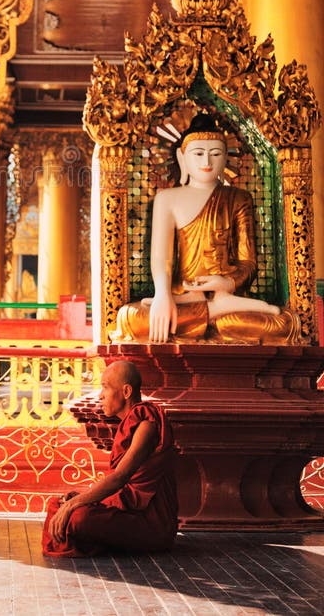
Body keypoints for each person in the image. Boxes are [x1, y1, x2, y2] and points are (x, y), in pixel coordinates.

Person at [111, 113, 300, 344]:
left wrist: (227, 283)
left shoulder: (238, 198)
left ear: (225, 158)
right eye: (198, 153)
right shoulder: (167, 199)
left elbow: (248, 263)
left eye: (216, 154)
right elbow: (162, 259)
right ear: (182, 158)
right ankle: (215, 310)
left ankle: (217, 309)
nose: (206, 162)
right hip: (183, 297)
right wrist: (162, 294)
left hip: (228, 297)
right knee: (131, 318)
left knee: (284, 324)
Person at [42, 359, 178, 557]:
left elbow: (120, 477)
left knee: (79, 518)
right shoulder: (131, 422)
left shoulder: (147, 424)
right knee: (57, 505)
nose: (100, 395)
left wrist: (75, 503)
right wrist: (76, 500)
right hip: (129, 513)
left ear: (126, 392)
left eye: (105, 387)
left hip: (150, 523)